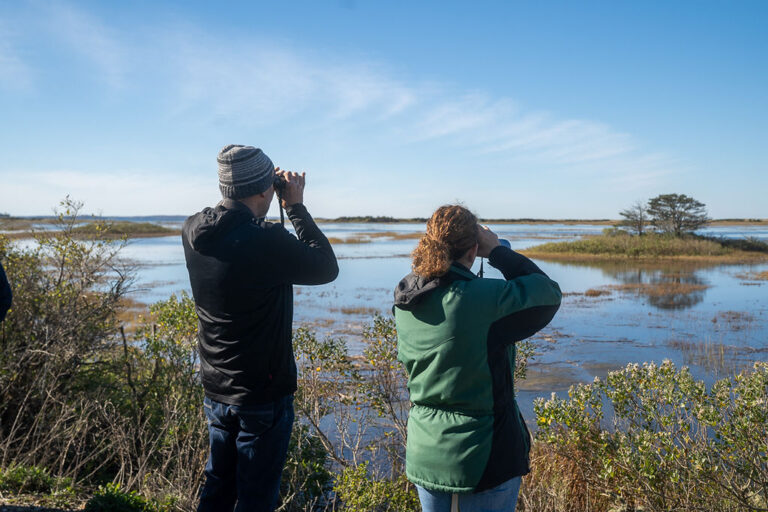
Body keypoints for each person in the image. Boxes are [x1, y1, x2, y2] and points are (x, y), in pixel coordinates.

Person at [182, 144, 339, 512]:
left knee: (217, 485)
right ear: (262, 189)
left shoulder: (192, 229)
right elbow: (325, 267)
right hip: (262, 396)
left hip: (216, 389)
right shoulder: (266, 240)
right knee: (256, 497)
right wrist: (295, 207)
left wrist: (268, 190)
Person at [393, 205, 561, 512]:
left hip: (426, 455)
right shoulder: (481, 299)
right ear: (473, 249)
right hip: (484, 458)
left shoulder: (408, 298)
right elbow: (547, 293)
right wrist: (497, 252)